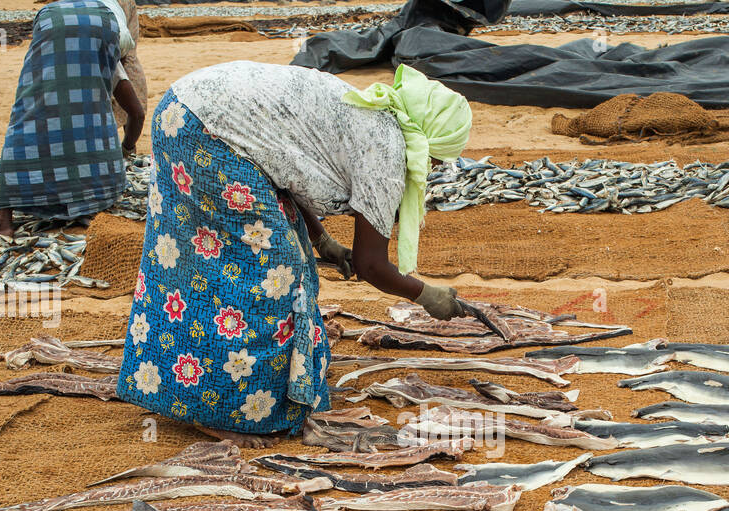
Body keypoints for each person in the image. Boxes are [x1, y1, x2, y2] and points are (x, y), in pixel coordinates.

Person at [116, 61, 475, 445]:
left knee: (255, 256)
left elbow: (286, 168)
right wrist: (426, 296)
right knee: (274, 275)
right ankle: (224, 408)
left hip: (185, 110)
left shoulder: (375, 115)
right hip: (207, 131)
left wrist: (321, 241)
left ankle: (199, 382)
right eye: (438, 158)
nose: (434, 167)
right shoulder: (387, 149)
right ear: (429, 141)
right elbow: (372, 264)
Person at [0, 0, 146, 237]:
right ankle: (84, 202)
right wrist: (126, 149)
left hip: (56, 21)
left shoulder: (47, 66)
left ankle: (2, 221)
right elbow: (137, 114)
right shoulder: (106, 58)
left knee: (24, 120)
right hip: (99, 196)